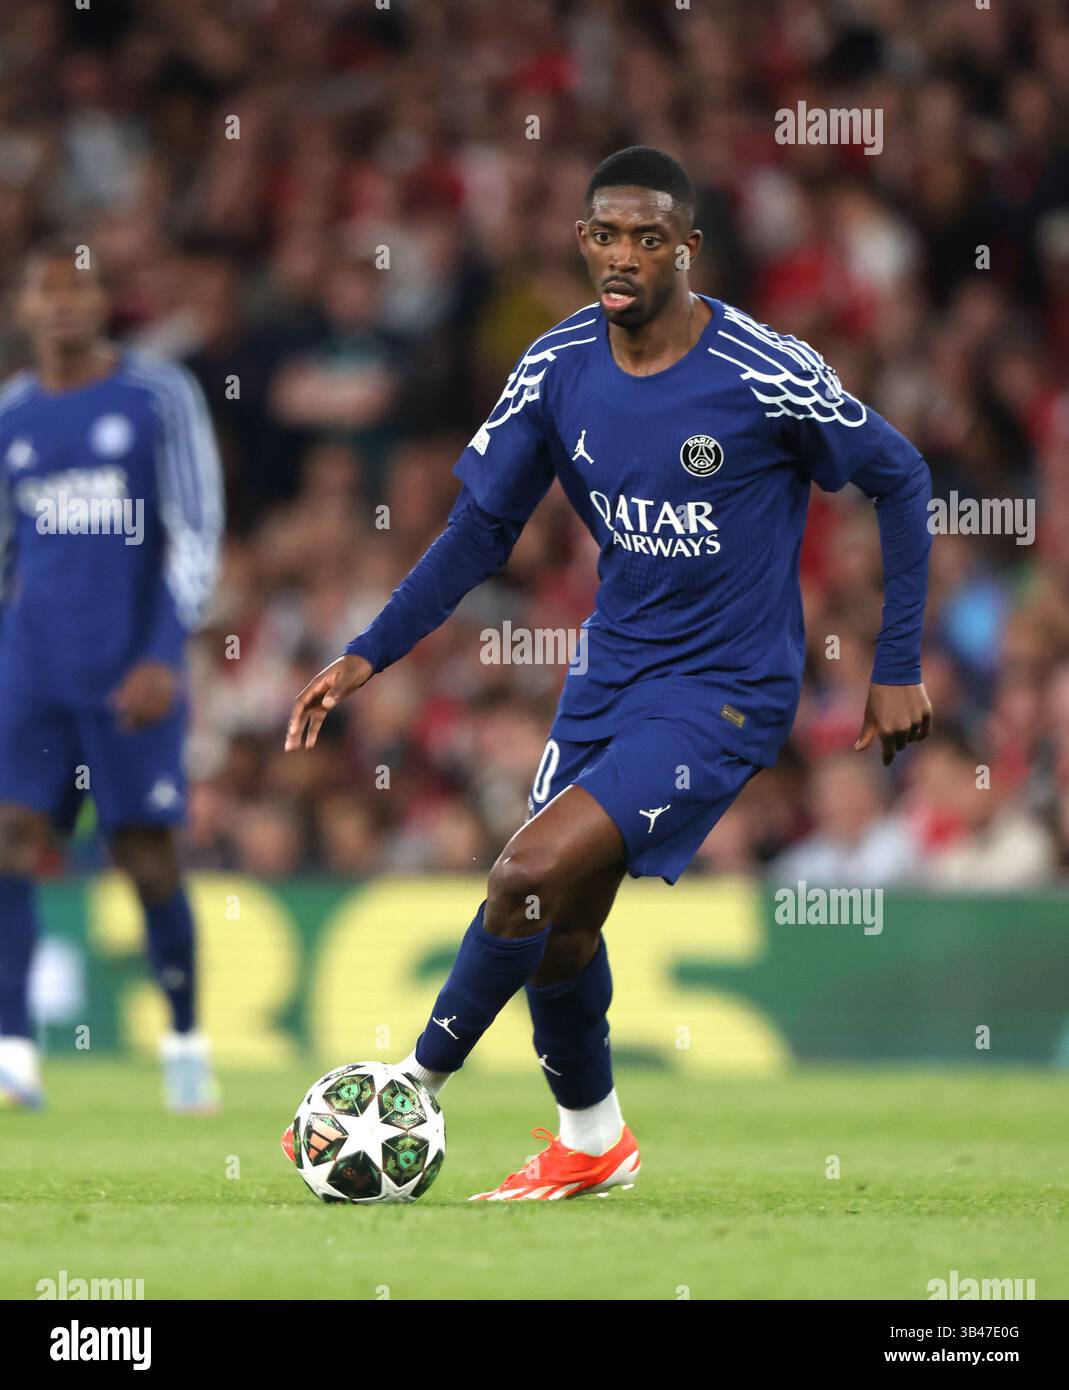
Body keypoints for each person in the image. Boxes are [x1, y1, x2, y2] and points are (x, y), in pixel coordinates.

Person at [282, 147, 933, 1199]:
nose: (621, 257)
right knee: (558, 925)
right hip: (609, 679)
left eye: (646, 237)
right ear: (581, 240)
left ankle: (408, 1086)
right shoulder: (555, 366)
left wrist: (895, 663)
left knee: (522, 874)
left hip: (725, 693)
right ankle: (593, 1142)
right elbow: (478, 531)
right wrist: (367, 652)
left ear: (687, 247)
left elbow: (900, 475)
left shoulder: (763, 367)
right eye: (603, 235)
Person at [0, 241, 224, 1111]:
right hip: (32, 669)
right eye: (45, 289)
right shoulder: (11, 416)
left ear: (102, 303)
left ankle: (183, 1042)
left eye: (77, 287)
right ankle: (14, 1050)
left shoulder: (157, 395)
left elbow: (194, 529)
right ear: (24, 309)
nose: (62, 304)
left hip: (132, 668)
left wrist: (164, 655)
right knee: (11, 839)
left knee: (145, 854)